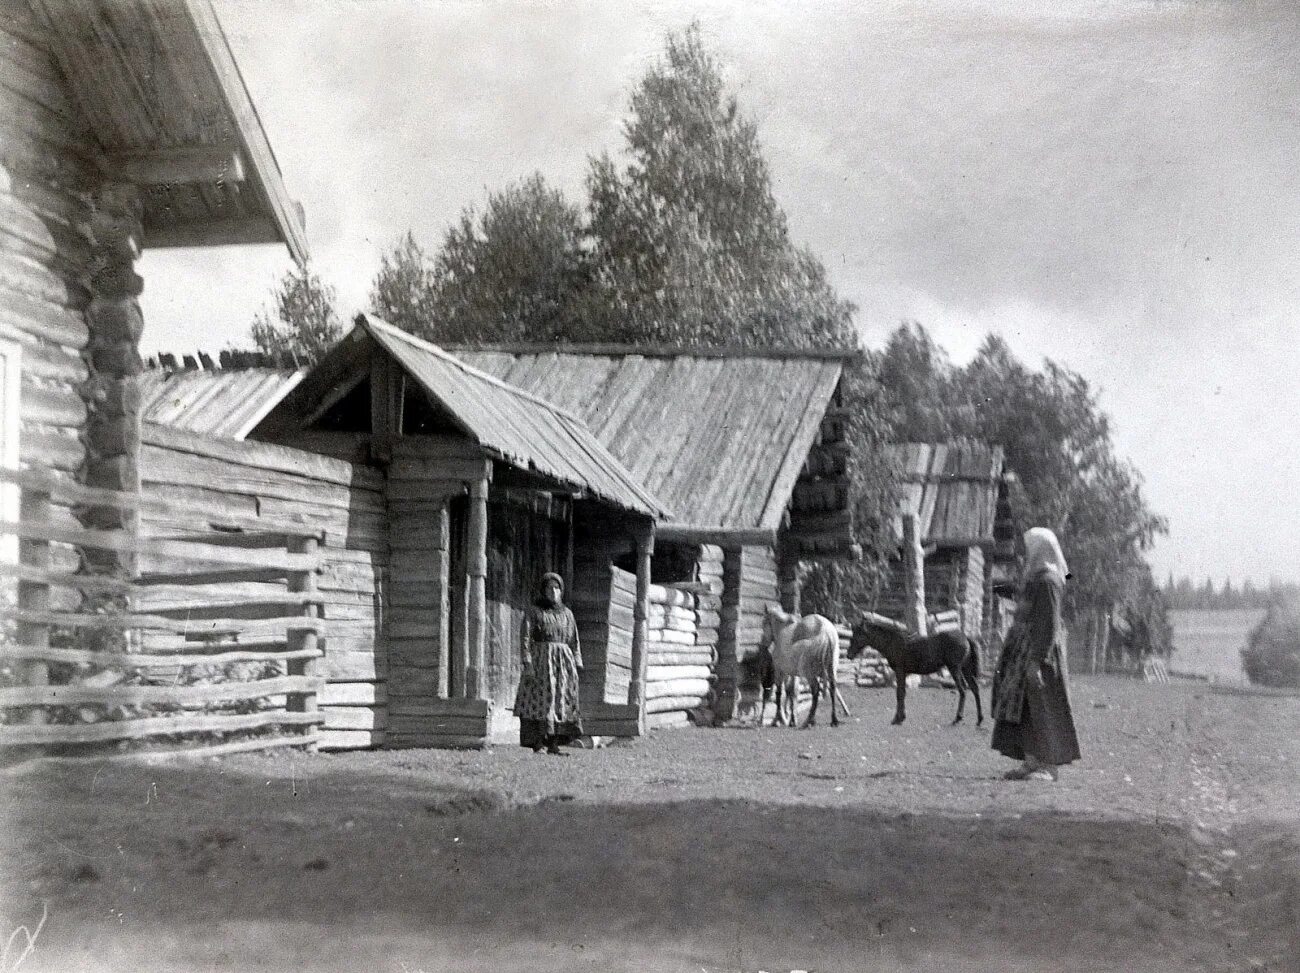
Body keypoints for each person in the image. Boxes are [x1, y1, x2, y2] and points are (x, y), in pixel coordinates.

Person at [991, 527, 1082, 781]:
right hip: (1027, 650)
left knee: (1044, 707)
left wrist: (1038, 661)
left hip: (1041, 653)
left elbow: (1049, 624)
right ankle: (1031, 760)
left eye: (1030, 547)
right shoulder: (1036, 579)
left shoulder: (1048, 582)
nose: (1025, 552)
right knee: (1026, 707)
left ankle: (1048, 766)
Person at [514, 572, 584, 755]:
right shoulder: (535, 611)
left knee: (559, 701)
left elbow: (574, 640)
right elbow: (525, 637)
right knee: (539, 702)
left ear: (561, 591)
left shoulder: (567, 614)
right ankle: (538, 743)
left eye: (556, 588)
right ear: (543, 591)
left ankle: (554, 744)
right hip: (541, 662)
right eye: (549, 588)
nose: (553, 592)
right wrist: (527, 662)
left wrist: (576, 663)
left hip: (563, 664)